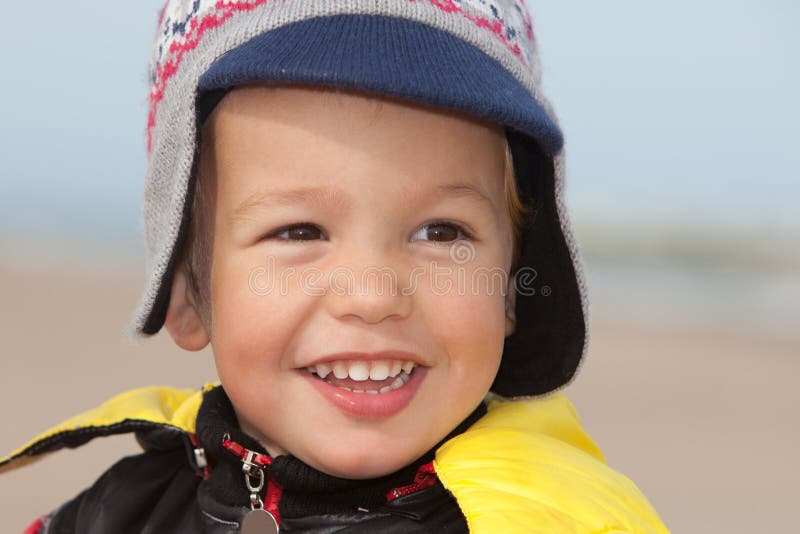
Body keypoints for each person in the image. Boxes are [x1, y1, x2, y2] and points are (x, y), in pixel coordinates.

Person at [1, 1, 669, 532]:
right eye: (299, 231)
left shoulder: (562, 521)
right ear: (187, 291)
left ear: (509, 288)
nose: (372, 295)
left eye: (441, 231)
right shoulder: (120, 512)